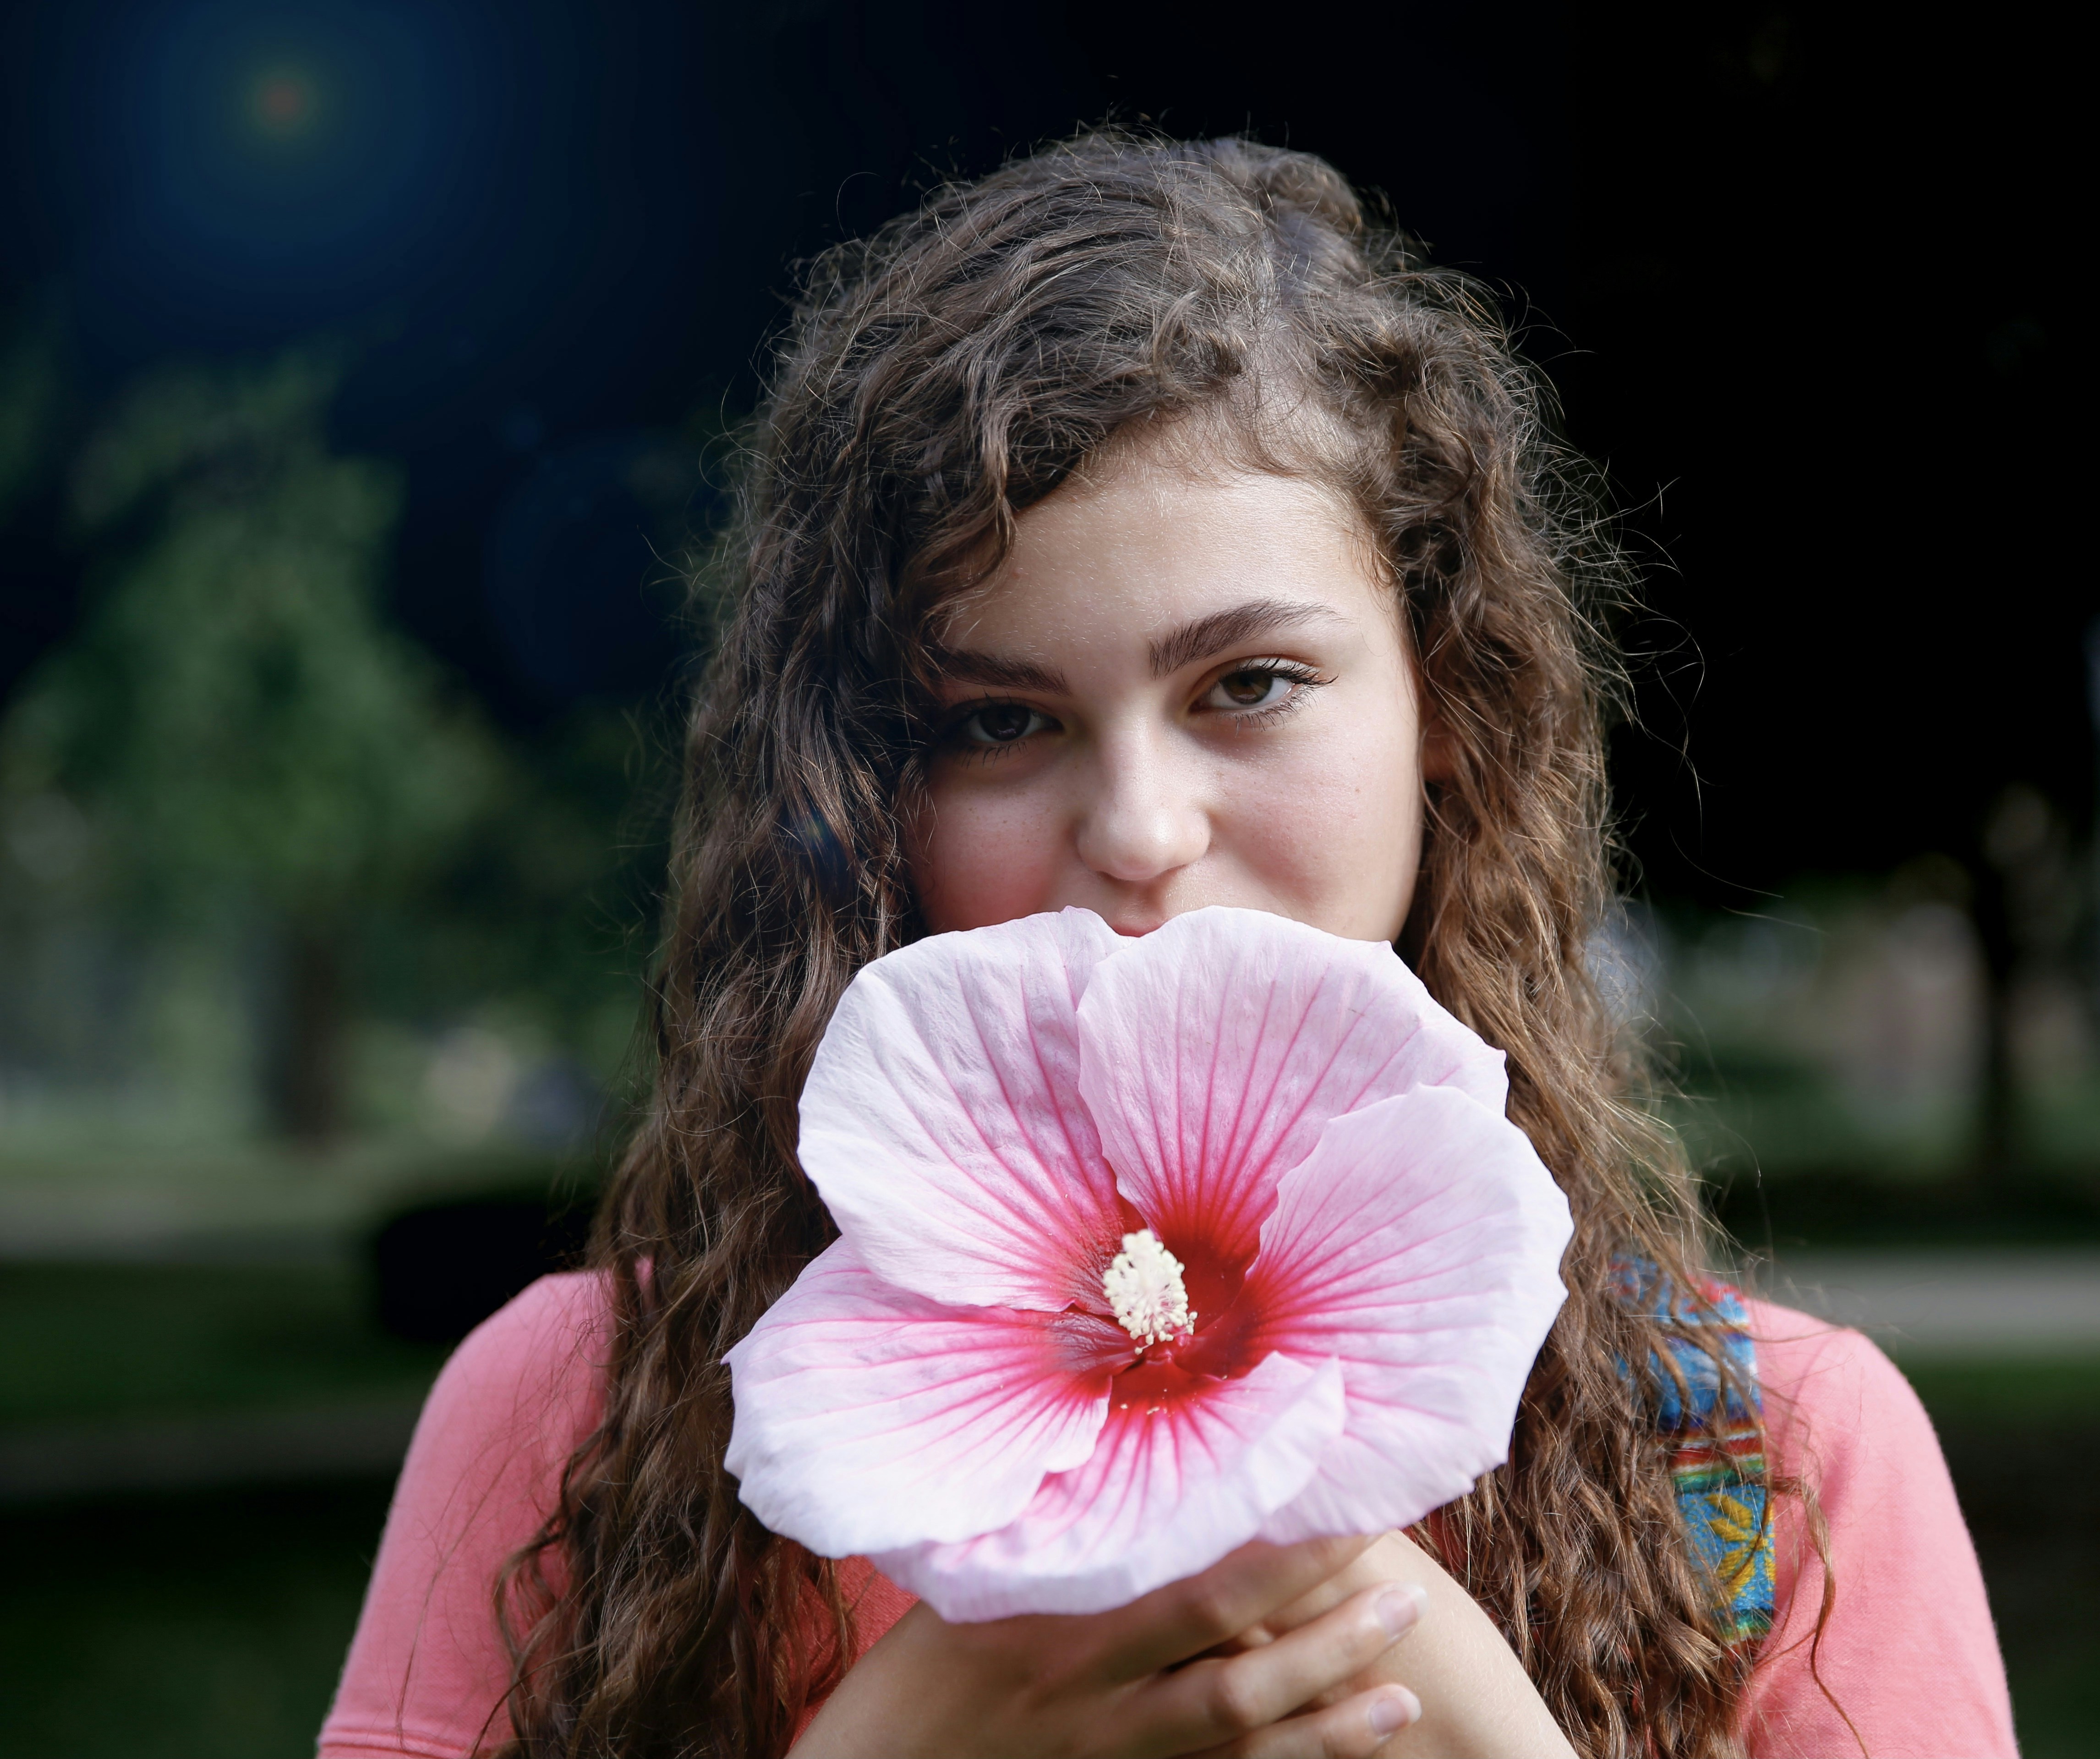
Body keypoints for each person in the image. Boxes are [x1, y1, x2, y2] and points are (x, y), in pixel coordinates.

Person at [320, 133, 2015, 1759]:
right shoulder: (594, 1421)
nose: (1138, 830)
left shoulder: (1767, 1455)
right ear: (869, 782)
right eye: (998, 717)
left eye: (1250, 686)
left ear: (1447, 704)